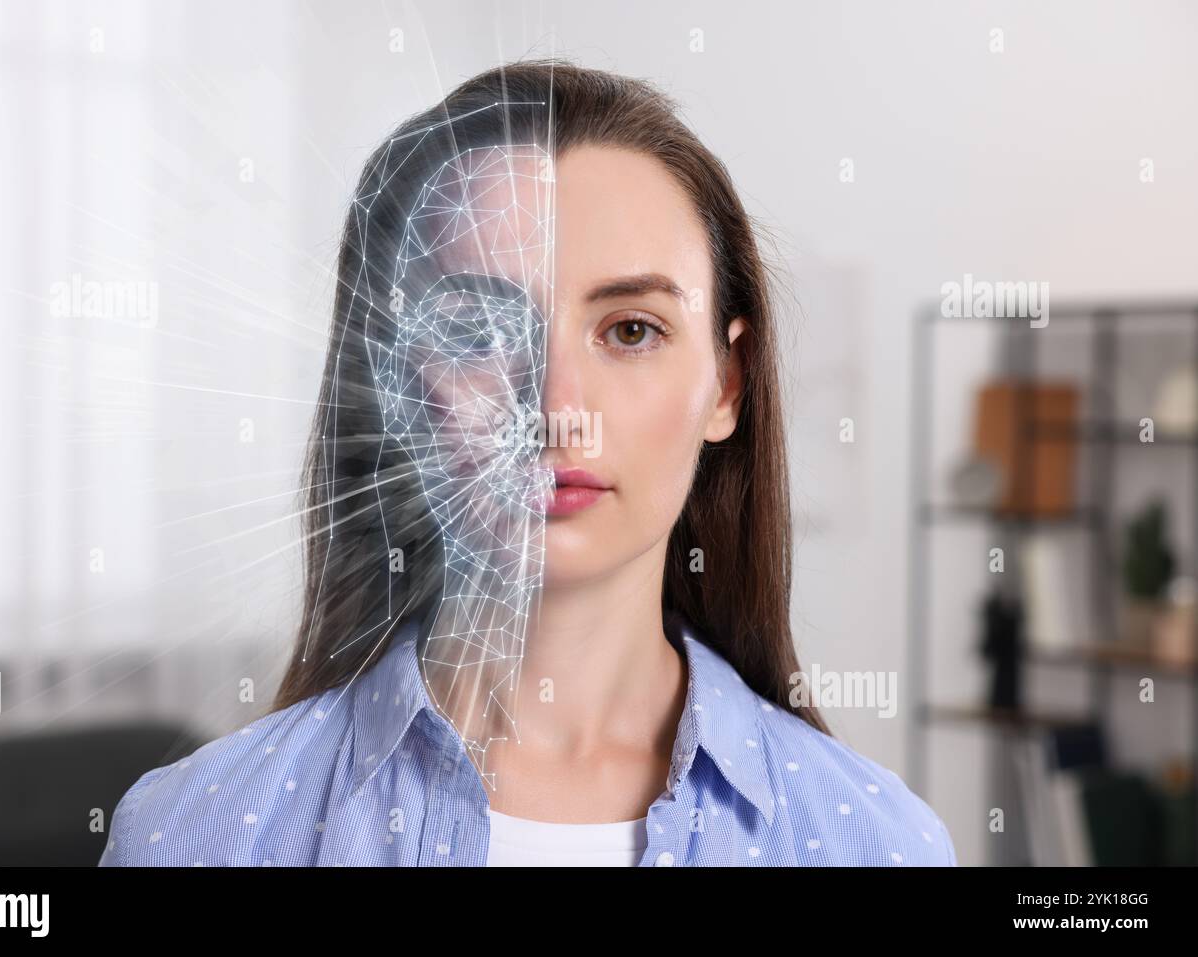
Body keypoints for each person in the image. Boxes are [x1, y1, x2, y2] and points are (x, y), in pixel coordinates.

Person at [99, 59, 956, 867]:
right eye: (477, 331)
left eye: (631, 330)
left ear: (725, 384)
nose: (554, 409)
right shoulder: (189, 834)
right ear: (391, 381)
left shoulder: (882, 845)